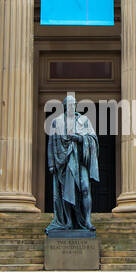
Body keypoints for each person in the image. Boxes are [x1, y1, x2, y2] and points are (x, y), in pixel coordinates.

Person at [45, 92, 99, 233]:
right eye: (68, 105)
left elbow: (93, 139)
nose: (71, 107)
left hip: (80, 161)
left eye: (73, 104)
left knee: (85, 188)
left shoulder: (84, 120)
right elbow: (51, 144)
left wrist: (79, 139)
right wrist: (51, 164)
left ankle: (87, 220)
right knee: (67, 192)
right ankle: (68, 221)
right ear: (64, 107)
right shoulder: (57, 121)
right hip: (64, 162)